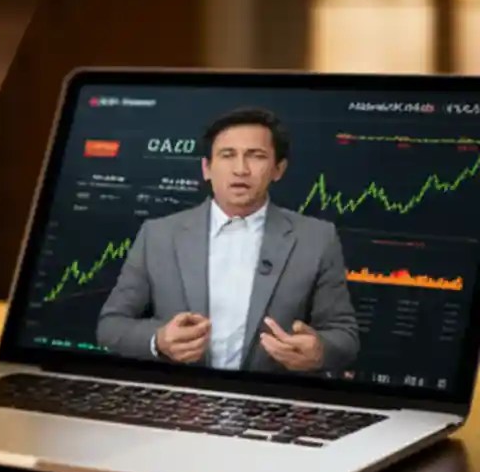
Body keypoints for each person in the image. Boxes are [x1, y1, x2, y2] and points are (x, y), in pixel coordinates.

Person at [96, 106, 359, 373]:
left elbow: (344, 335)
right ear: (207, 168)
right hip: (181, 400)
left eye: (256, 156)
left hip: (270, 402)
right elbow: (111, 325)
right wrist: (159, 340)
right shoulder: (158, 235)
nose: (241, 169)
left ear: (278, 169)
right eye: (227, 155)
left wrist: (319, 351)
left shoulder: (316, 238)